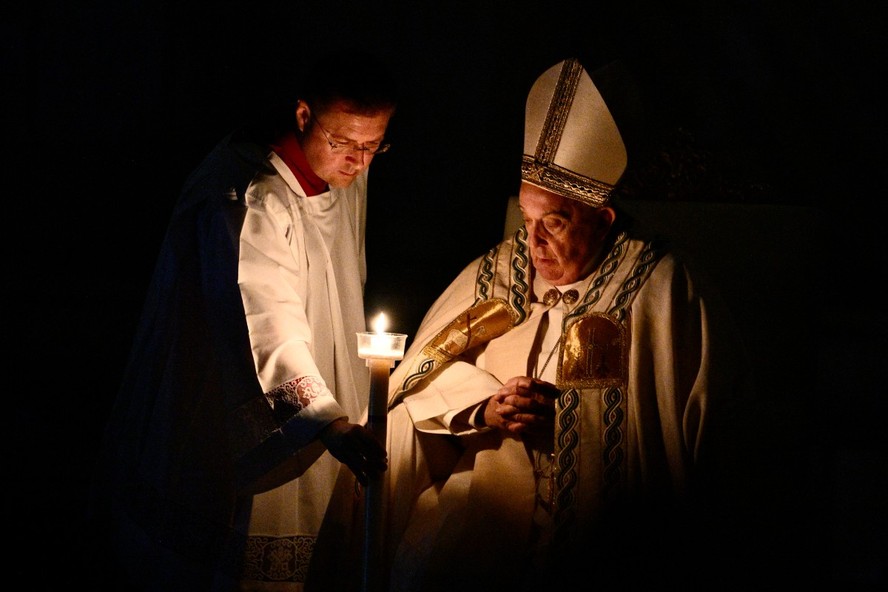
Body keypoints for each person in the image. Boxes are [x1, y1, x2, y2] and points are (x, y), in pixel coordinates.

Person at [307, 57, 760, 591]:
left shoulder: (663, 289)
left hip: (600, 541)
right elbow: (414, 389)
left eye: (555, 222)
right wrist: (484, 406)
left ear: (603, 219)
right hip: (476, 519)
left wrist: (567, 423)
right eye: (526, 219)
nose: (534, 242)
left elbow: (698, 446)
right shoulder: (500, 271)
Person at [92, 50, 398, 591]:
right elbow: (263, 319)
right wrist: (325, 421)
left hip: (321, 374)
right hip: (234, 398)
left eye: (374, 145)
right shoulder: (251, 197)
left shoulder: (343, 171)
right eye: (345, 142)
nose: (359, 162)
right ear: (303, 116)